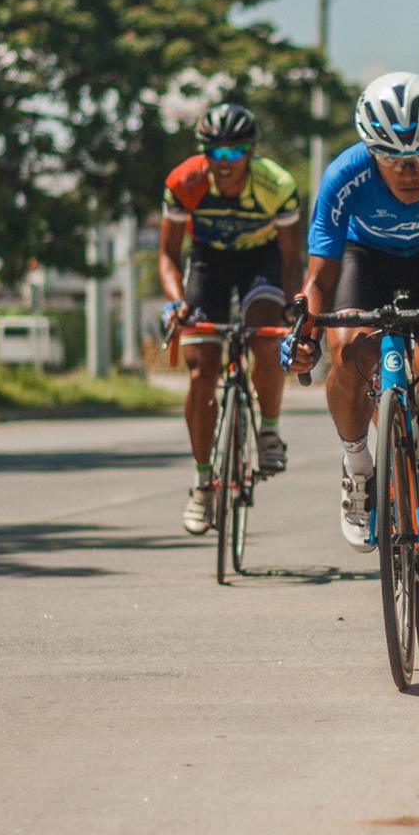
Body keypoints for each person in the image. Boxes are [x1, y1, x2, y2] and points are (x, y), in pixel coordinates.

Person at [284, 72, 419, 600]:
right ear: (369, 149)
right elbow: (320, 278)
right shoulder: (344, 176)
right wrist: (303, 335)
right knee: (348, 353)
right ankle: (359, 465)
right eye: (392, 158)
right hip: (368, 259)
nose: (409, 171)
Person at [158, 102, 303, 535]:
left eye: (233, 153)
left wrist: (289, 304)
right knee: (201, 372)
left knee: (264, 335)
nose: (223, 163)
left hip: (262, 262)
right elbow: (167, 255)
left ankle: (270, 430)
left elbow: (292, 257)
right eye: (213, 153)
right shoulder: (184, 181)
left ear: (251, 152)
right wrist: (175, 302)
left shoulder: (276, 184)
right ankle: (204, 483)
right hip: (208, 264)